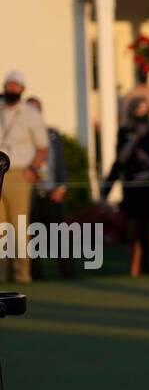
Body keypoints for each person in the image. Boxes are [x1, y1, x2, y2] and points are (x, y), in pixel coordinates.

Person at [103, 96, 149, 275]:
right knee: (132, 232)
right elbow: (120, 160)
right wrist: (134, 140)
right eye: (138, 108)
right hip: (131, 189)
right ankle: (134, 269)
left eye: (144, 108)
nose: (141, 112)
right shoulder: (125, 131)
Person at [0, 70, 48, 284]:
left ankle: (22, 275)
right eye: (9, 85)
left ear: (22, 89)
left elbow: (42, 147)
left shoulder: (30, 113)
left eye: (15, 86)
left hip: (19, 172)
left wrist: (33, 170)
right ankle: (2, 275)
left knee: (19, 226)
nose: (11, 89)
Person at [25, 96, 75, 279]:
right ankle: (35, 275)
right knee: (30, 238)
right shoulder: (22, 136)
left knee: (60, 236)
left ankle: (68, 274)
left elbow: (60, 163)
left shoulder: (52, 134)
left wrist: (62, 186)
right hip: (31, 194)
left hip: (52, 193)